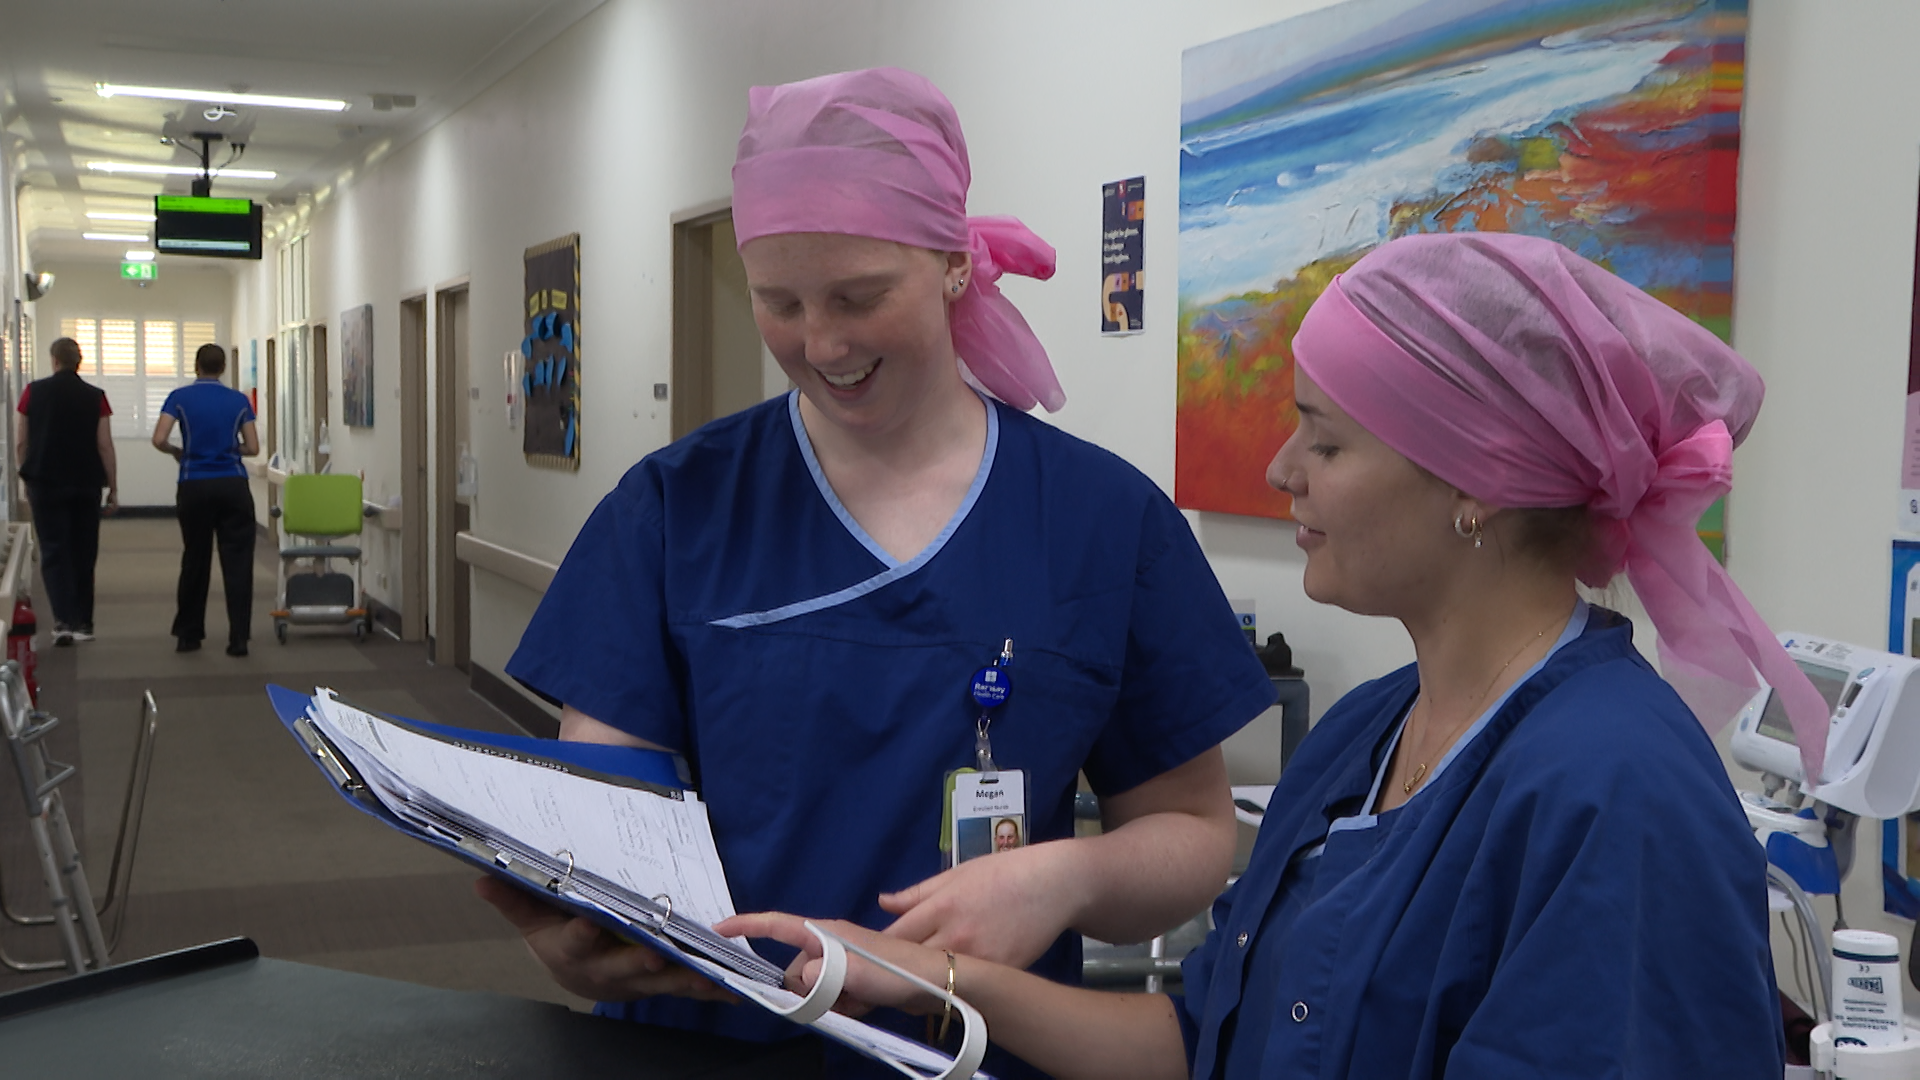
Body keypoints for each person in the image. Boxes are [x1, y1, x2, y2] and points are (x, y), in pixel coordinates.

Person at [725, 231, 1815, 1078]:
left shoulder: (1618, 797)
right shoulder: (1363, 738)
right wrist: (935, 976)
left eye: (1326, 440)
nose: (1282, 470)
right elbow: (1201, 1043)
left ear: (1479, 483)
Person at [482, 67, 1276, 1079]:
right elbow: (604, 810)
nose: (821, 342)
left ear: (953, 264)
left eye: (859, 297)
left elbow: (1192, 829)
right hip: (708, 1045)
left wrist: (1068, 879)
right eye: (778, 302)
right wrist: (575, 928)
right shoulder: (675, 510)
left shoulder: (1101, 521)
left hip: (977, 1052)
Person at [152, 344, 259, 657]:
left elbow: (159, 438)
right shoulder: (239, 400)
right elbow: (253, 447)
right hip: (233, 485)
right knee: (238, 562)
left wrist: (179, 452)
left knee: (195, 559)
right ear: (223, 368)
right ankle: (238, 639)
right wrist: (231, 450)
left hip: (194, 484)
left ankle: (189, 635)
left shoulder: (179, 397)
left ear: (196, 365)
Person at [14, 337, 116, 646]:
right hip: (86, 483)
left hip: (45, 482)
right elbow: (104, 445)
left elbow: (21, 440)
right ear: (78, 363)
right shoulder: (96, 396)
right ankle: (84, 623)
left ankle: (62, 622)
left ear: (54, 361)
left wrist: (25, 475)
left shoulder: (33, 392)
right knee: (84, 552)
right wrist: (113, 486)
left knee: (54, 550)